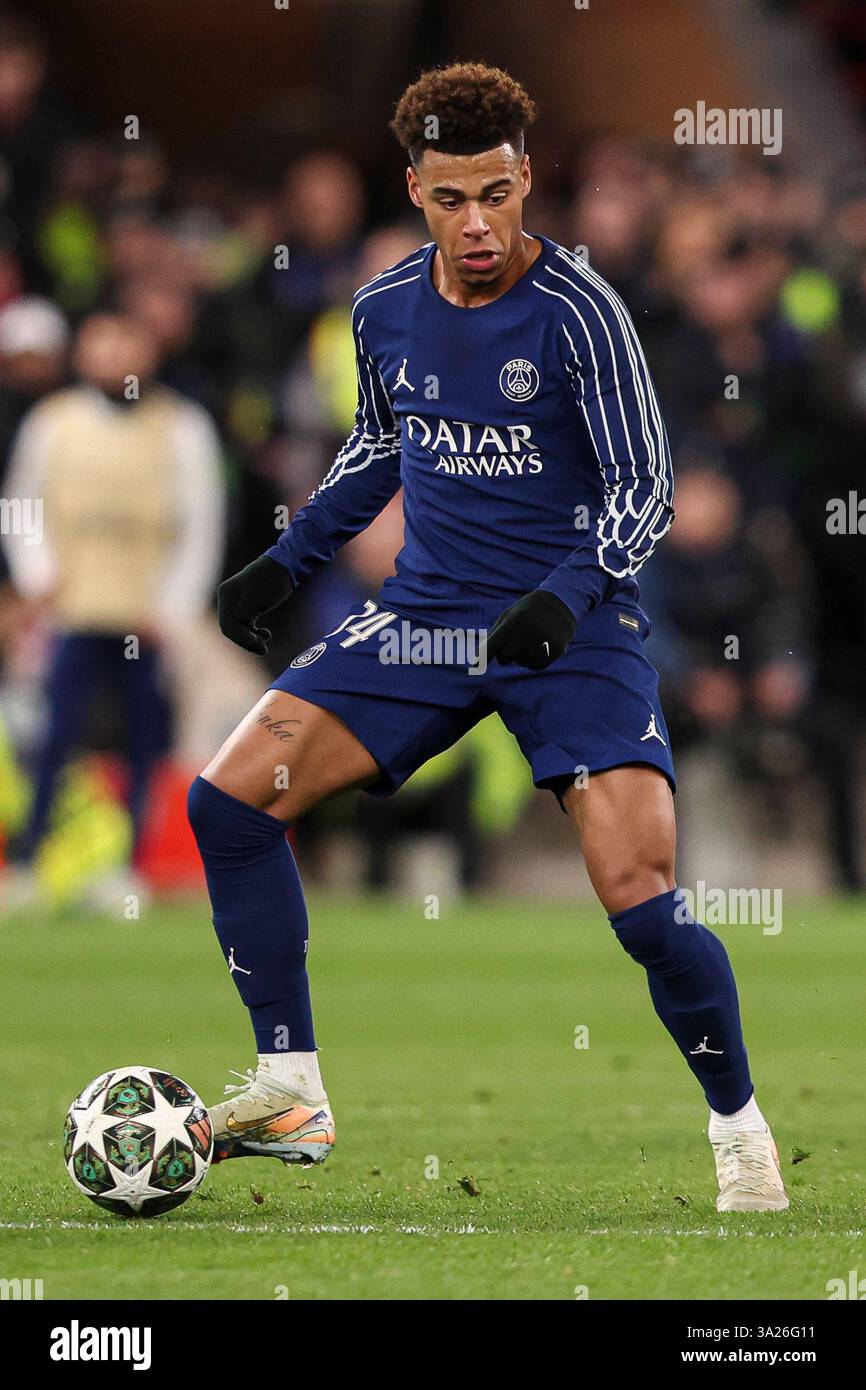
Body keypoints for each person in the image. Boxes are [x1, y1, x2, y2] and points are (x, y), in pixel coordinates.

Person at [190, 63, 788, 1212]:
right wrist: (288, 559)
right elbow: (377, 447)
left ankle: (737, 1127)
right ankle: (290, 1085)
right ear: (414, 188)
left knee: (643, 904)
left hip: (570, 626)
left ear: (527, 180)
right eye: (452, 197)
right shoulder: (380, 308)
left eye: (499, 194)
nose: (478, 223)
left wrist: (565, 596)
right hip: (424, 617)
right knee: (226, 802)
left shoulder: (579, 310)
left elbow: (645, 486)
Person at [2, 312, 225, 908]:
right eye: (101, 346)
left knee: (144, 741)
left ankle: (128, 869)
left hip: (143, 618)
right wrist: (38, 578)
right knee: (52, 738)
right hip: (71, 611)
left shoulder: (182, 427)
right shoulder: (52, 424)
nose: (114, 359)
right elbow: (20, 504)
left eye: (125, 344)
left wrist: (173, 606)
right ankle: (28, 862)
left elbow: (201, 523)